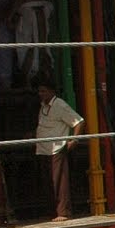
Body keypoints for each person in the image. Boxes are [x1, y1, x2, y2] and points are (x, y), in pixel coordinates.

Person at [35, 82, 84, 220]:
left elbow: (79, 121)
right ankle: (53, 211)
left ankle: (63, 212)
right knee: (49, 182)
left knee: (59, 181)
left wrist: (74, 140)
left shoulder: (60, 105)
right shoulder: (43, 106)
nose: (41, 94)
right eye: (40, 91)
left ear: (51, 91)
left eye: (44, 91)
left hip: (56, 148)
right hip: (43, 148)